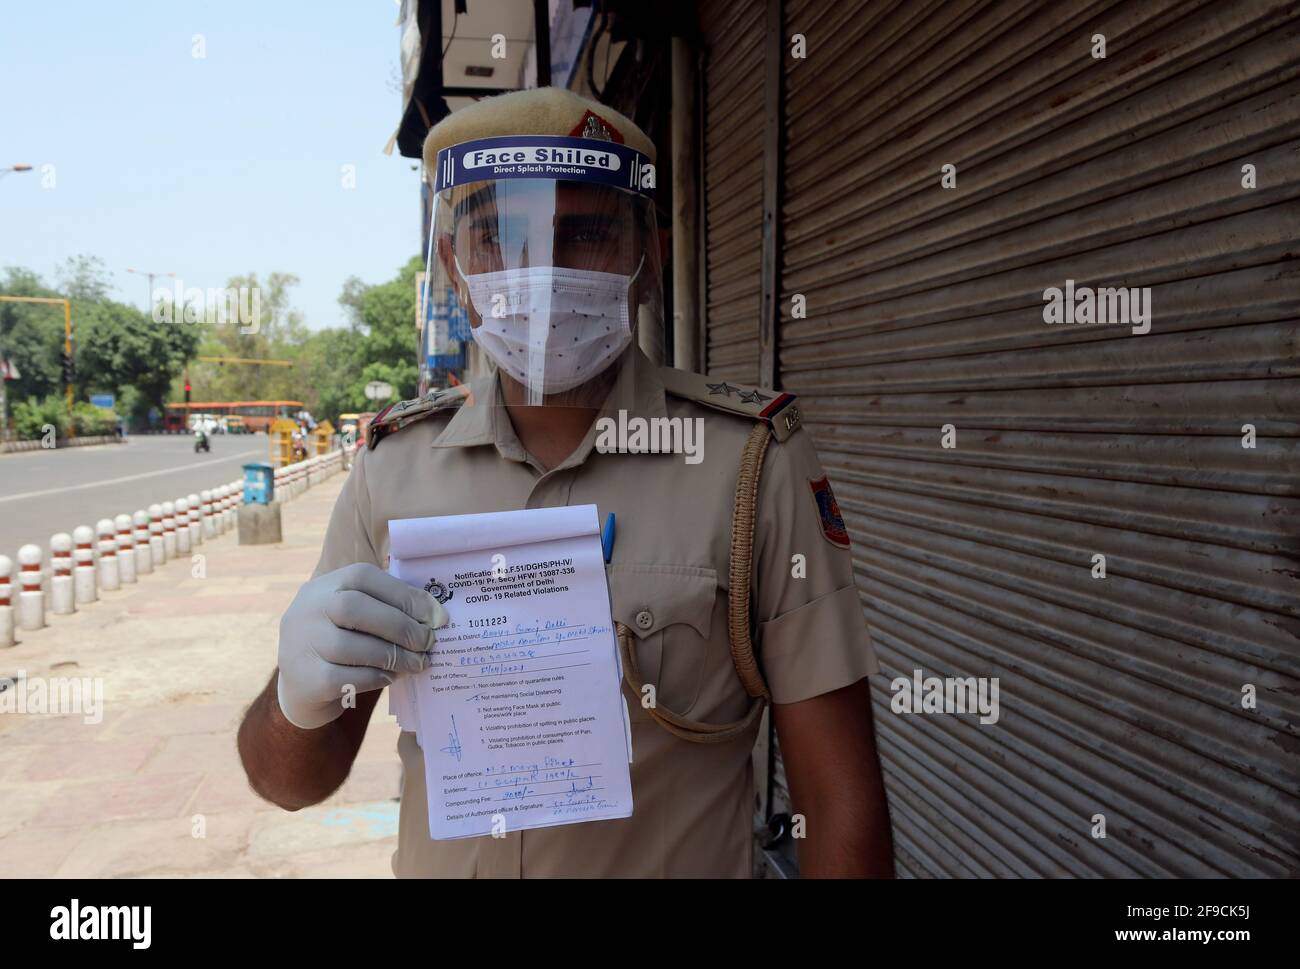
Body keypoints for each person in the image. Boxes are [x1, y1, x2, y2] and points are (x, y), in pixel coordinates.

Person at [237, 87, 892, 878]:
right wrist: (295, 698)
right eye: (497, 235)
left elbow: (840, 800)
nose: (540, 274)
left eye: (583, 233)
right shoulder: (393, 470)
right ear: (452, 265)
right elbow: (291, 782)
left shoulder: (749, 467)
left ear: (649, 257)